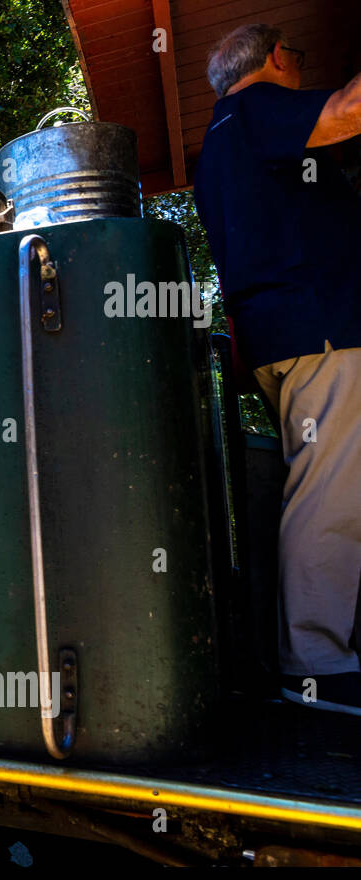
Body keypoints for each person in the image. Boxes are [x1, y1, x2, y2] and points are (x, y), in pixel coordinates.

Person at [193, 24, 361, 715]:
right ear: (276, 58)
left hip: (278, 335)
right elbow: (348, 112)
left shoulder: (216, 143)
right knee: (331, 495)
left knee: (329, 486)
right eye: (298, 52)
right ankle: (317, 668)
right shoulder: (257, 107)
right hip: (318, 327)